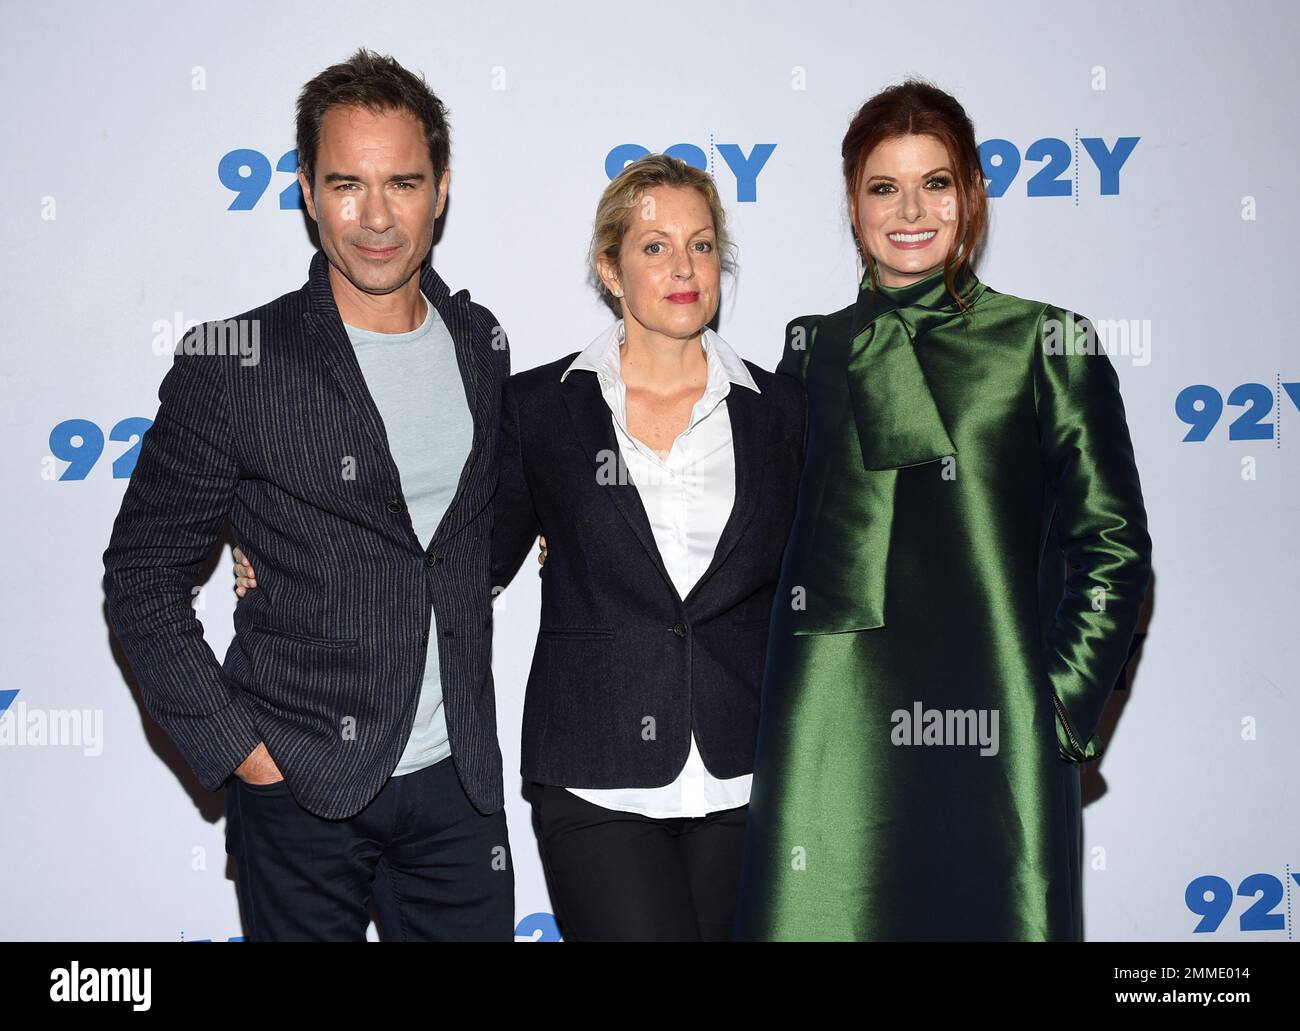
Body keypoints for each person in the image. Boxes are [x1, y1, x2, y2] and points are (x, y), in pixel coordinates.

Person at [236, 154, 806, 941]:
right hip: (595, 773)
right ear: (610, 268)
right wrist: (303, 555)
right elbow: (461, 555)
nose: (683, 267)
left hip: (748, 770)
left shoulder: (784, 410)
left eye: (702, 245)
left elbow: (822, 566)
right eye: (654, 247)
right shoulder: (541, 407)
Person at [102, 49, 514, 942]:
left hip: (460, 791)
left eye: (402, 182)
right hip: (299, 789)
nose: (375, 217)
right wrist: (243, 754)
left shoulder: (482, 344)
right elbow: (141, 577)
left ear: (441, 189)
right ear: (305, 190)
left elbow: (473, 532)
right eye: (346, 184)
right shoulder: (235, 365)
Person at [733, 80, 1153, 941]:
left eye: (937, 183)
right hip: (829, 717)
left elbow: (1112, 546)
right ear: (853, 205)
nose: (911, 210)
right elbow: (761, 529)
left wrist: (1059, 709)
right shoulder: (810, 351)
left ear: (973, 195)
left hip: (998, 720)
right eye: (885, 187)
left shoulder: (1045, 342)